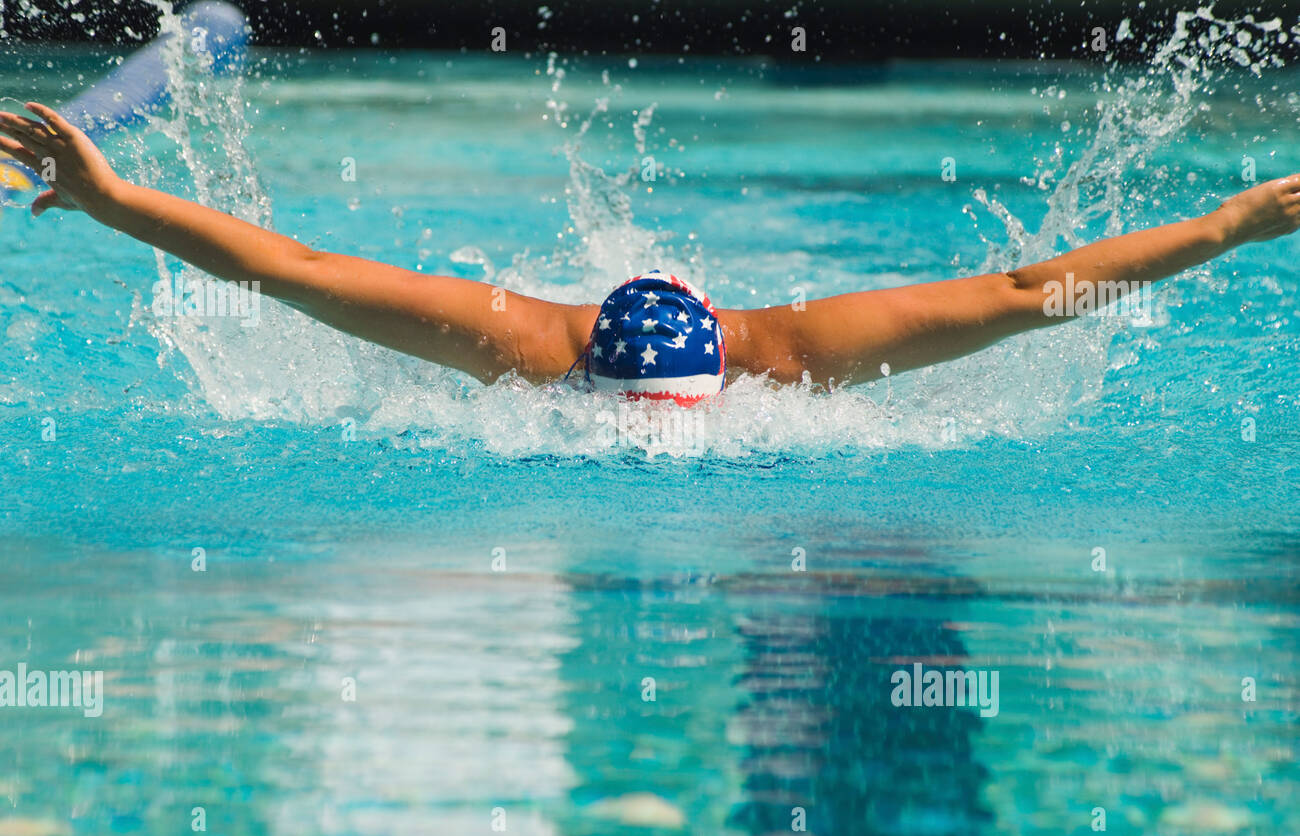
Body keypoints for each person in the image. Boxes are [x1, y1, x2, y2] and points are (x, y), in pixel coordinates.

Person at [3, 101, 1298, 404]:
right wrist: (112, 200)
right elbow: (300, 273)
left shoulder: (786, 359)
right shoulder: (528, 348)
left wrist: (1234, 225)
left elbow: (1029, 294)